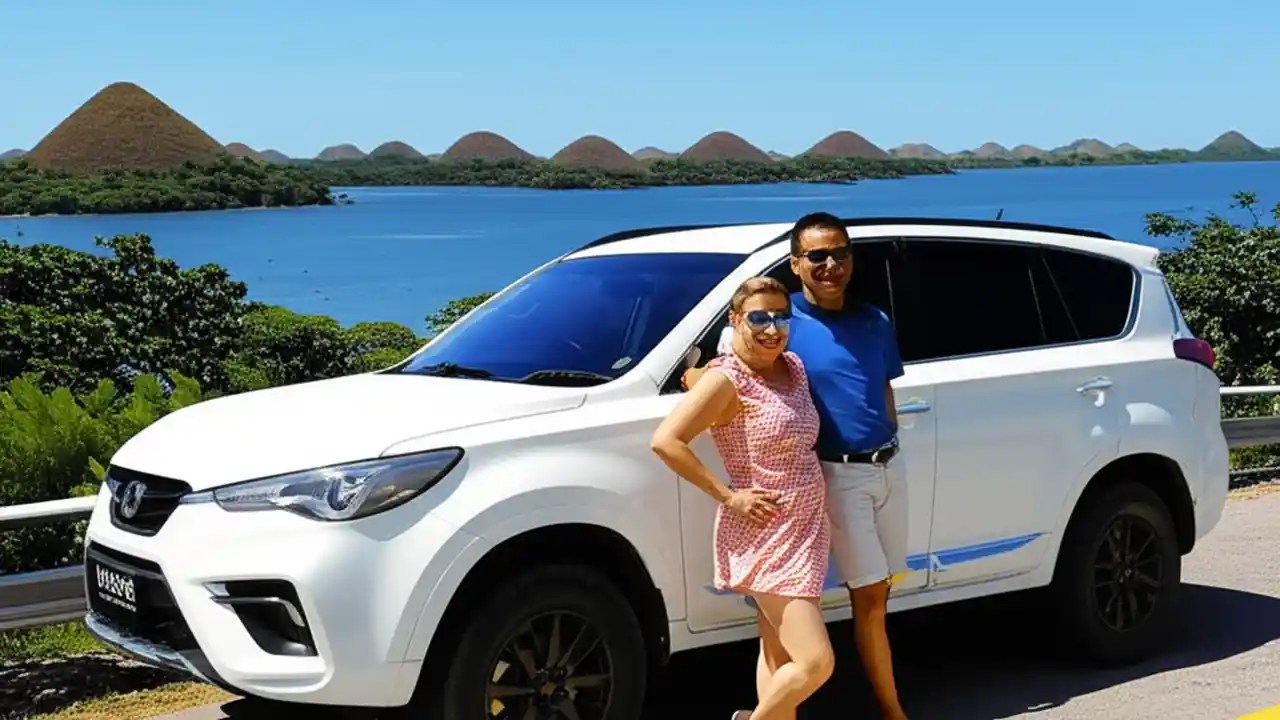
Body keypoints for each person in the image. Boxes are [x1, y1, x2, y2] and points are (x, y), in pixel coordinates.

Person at [684, 212, 910, 720]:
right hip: (819, 485)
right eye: (817, 256)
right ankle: (893, 713)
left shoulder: (872, 319)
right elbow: (725, 367)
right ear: (796, 264)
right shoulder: (780, 322)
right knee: (853, 617)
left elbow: (883, 385)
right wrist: (698, 381)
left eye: (840, 253)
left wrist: (889, 435)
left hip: (881, 469)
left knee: (779, 644)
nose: (831, 265)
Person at [651, 276, 835, 720]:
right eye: (758, 318)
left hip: (805, 528)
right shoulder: (726, 379)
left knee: (775, 656)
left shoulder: (791, 366)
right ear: (736, 321)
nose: (772, 328)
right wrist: (727, 496)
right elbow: (666, 442)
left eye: (780, 317)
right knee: (814, 663)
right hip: (766, 534)